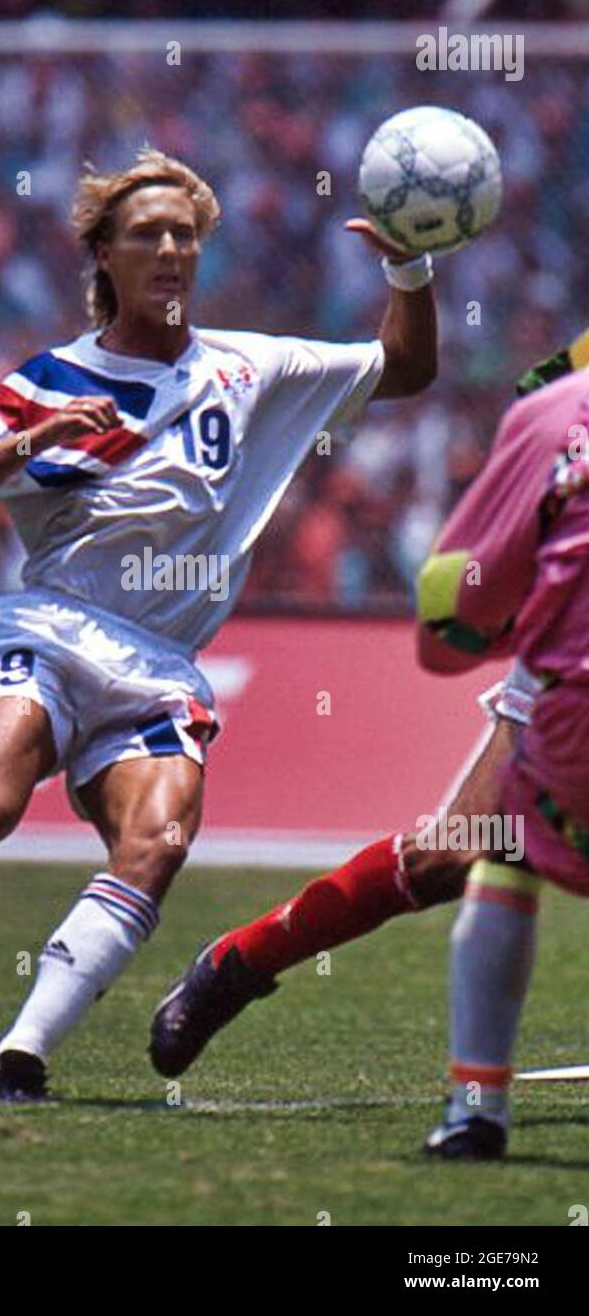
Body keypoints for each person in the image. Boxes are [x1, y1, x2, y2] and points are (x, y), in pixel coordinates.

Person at [0, 147, 436, 1101]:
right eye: (147, 234)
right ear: (102, 254)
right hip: (50, 631)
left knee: (158, 844)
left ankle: (20, 1056)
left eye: (185, 234)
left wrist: (409, 267)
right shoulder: (53, 379)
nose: (171, 250)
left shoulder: (250, 367)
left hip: (161, 665)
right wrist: (32, 438)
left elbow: (406, 367)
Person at [149, 325, 589, 1163]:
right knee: (453, 856)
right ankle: (241, 961)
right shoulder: (568, 382)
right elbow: (512, 500)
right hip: (569, 657)